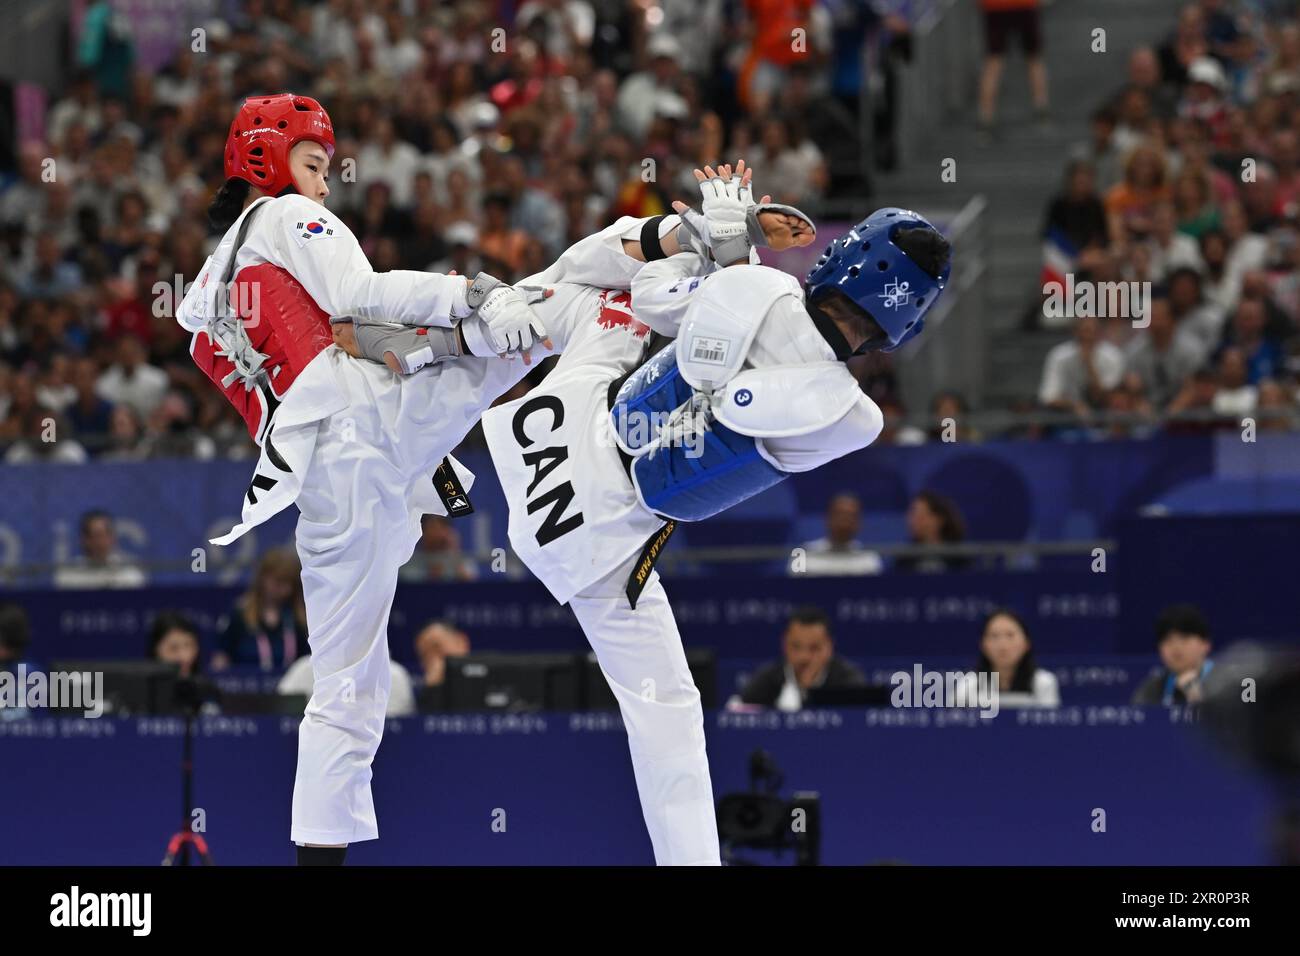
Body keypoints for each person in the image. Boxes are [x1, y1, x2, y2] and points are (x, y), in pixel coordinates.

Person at [343, 162, 941, 864]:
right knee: (668, 717)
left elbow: (657, 298)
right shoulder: (854, 418)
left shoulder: (763, 286)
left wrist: (711, 244)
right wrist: (726, 264)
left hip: (555, 431)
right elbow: (749, 378)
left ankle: (448, 348)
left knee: (581, 289)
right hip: (595, 539)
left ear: (841, 259)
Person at [176, 93, 552, 866]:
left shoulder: (206, 291)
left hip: (320, 481)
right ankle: (663, 260)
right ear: (268, 163)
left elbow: (325, 342)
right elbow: (359, 295)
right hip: (368, 426)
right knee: (531, 316)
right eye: (313, 165)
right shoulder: (282, 218)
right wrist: (465, 295)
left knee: (347, 685)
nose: (324, 184)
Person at [736, 606, 867, 711]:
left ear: (829, 647)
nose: (804, 657)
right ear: (784, 644)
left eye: (814, 648)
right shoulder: (767, 679)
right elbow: (739, 710)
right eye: (796, 646)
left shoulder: (849, 682)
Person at [212, 549, 308, 672]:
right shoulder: (239, 614)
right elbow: (222, 657)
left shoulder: (298, 618)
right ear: (263, 578)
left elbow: (307, 660)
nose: (286, 590)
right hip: (246, 687)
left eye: (290, 584)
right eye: (279, 582)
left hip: (292, 688)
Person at [961, 608, 1059, 708]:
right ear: (983, 645)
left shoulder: (1043, 682)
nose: (1003, 645)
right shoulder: (967, 684)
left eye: (1010, 635)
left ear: (1026, 643)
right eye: (994, 636)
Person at [1132, 604, 1217, 706]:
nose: (1176, 647)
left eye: (1184, 638)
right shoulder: (1151, 688)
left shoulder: (1227, 683)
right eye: (1168, 640)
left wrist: (1198, 700)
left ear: (1206, 644)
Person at [53, 509, 147, 589]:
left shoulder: (130, 573)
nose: (100, 543)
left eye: (105, 535)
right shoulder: (69, 575)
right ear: (84, 540)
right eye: (96, 536)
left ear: (113, 538)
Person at [795, 492, 883, 576]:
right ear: (827, 518)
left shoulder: (870, 558)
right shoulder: (804, 554)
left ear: (858, 522)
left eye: (851, 516)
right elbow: (792, 589)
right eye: (840, 514)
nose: (845, 521)